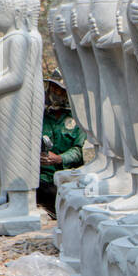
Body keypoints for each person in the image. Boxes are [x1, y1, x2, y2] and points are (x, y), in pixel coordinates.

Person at [38, 74, 85, 218]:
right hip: (43, 178)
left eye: (60, 90)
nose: (55, 93)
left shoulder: (79, 119)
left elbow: (79, 150)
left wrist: (59, 158)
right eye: (53, 88)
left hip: (68, 177)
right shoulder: (40, 117)